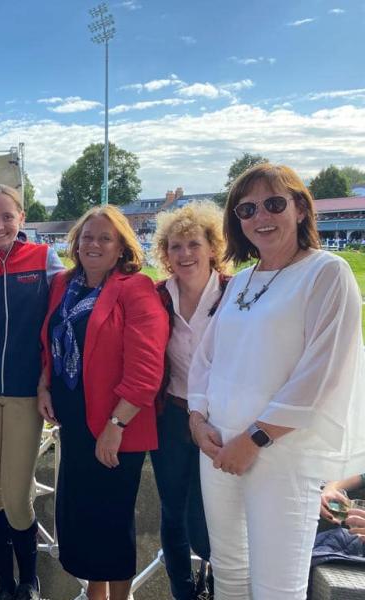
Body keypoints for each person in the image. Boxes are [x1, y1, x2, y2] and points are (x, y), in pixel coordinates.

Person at [187, 163, 365, 599]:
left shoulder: (327, 273)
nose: (260, 217)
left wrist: (254, 440)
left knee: (277, 587)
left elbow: (321, 373)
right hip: (217, 447)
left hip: (281, 455)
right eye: (247, 209)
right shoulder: (243, 280)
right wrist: (196, 417)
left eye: (273, 203)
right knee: (228, 573)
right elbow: (208, 356)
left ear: (301, 209)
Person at [37, 205, 168, 600]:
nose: (94, 244)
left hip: (116, 425)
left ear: (121, 247)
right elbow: (51, 344)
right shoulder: (63, 283)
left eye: (104, 238)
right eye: (87, 237)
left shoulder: (135, 288)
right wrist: (45, 386)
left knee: (111, 523)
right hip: (75, 423)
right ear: (76, 244)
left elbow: (147, 368)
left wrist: (116, 426)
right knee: (82, 520)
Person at [0, 184, 63, 600]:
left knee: (18, 495)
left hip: (25, 391)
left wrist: (48, 378)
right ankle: (4, 584)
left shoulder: (43, 259)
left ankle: (29, 581)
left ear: (22, 218)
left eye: (7, 216)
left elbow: (59, 321)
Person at [149, 202, 230, 600]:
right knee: (173, 509)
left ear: (212, 247)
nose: (185, 255)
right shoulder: (157, 296)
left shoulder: (236, 293)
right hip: (172, 414)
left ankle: (217, 581)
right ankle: (182, 590)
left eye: (193, 244)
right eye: (176, 247)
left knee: (214, 509)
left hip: (223, 419)